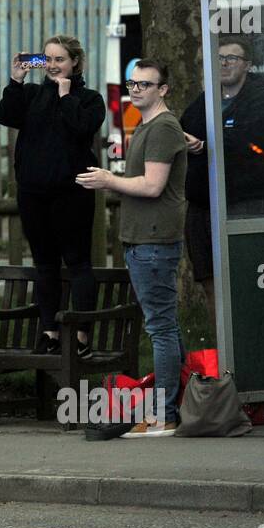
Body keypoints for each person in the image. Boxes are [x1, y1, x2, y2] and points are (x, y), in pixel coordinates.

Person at [76, 59, 188, 437]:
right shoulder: (149, 125)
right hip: (143, 239)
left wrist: (109, 179)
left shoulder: (162, 127)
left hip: (153, 240)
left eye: (145, 84)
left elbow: (154, 186)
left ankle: (164, 414)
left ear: (163, 89)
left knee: (160, 329)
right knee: (165, 326)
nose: (136, 89)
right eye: (132, 83)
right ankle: (171, 407)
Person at [0, 36, 106, 359]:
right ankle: (50, 333)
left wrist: (66, 95)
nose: (53, 65)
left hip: (72, 193)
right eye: (48, 59)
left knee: (77, 263)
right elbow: (7, 116)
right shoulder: (32, 94)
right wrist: (16, 81)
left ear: (75, 62)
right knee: (45, 265)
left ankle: (82, 337)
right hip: (34, 192)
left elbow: (82, 128)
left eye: (60, 59)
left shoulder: (89, 98)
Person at [180, 37, 264, 336]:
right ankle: (223, 352)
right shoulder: (205, 99)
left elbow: (248, 141)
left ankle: (254, 343)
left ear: (247, 65)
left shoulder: (261, 99)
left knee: (245, 279)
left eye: (231, 58)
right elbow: (183, 127)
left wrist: (208, 142)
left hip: (243, 202)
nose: (224, 64)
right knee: (210, 282)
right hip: (202, 205)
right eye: (219, 58)